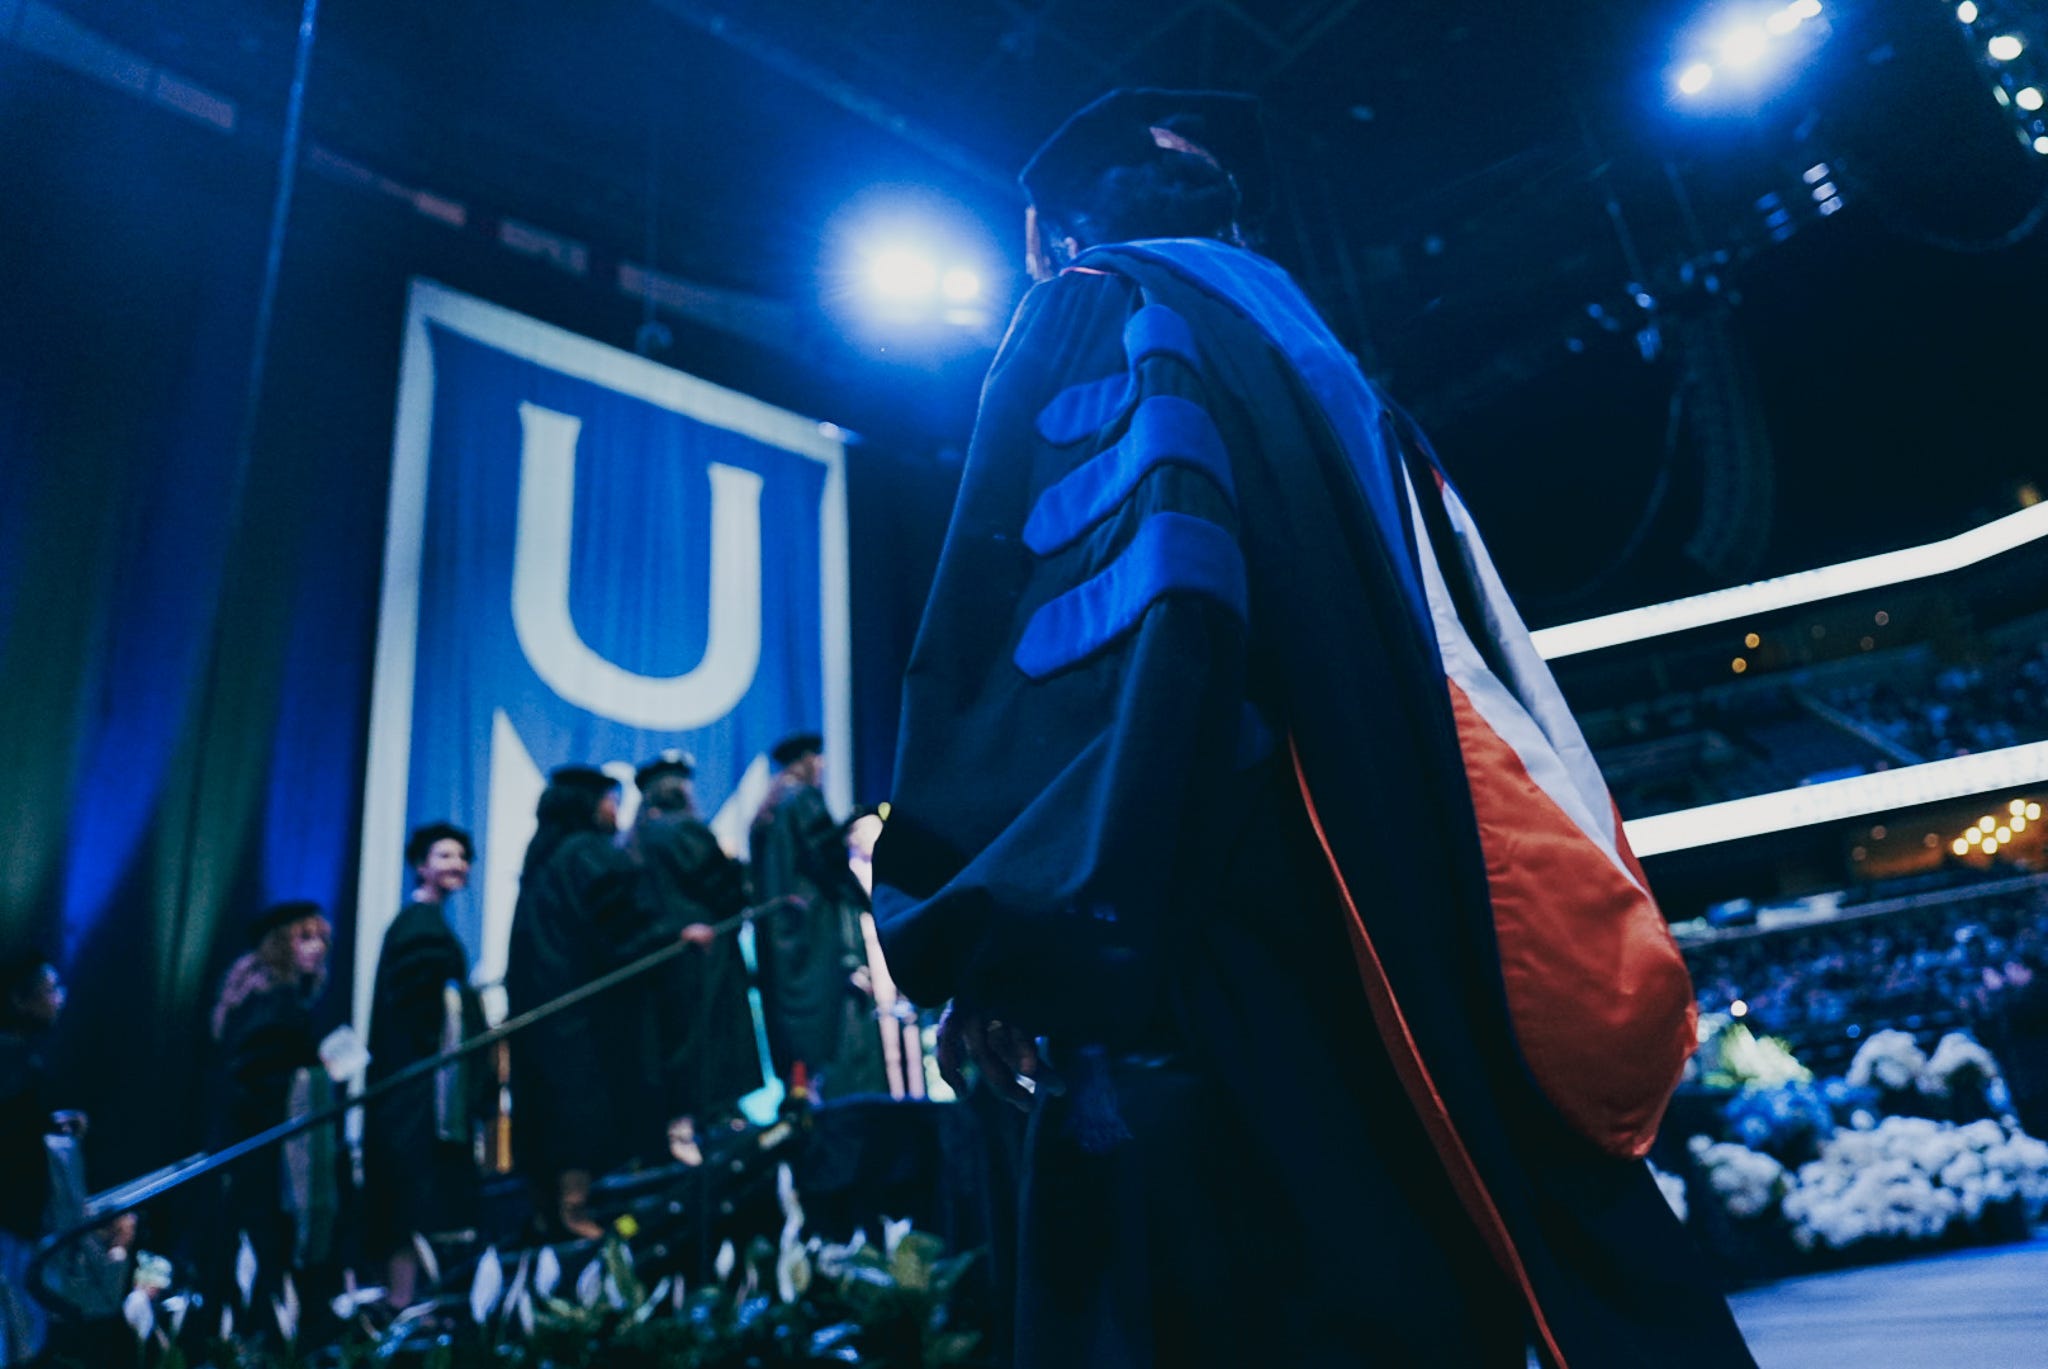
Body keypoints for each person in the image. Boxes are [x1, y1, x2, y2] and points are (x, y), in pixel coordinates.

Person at [872, 88, 1755, 1367]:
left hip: (1204, 908)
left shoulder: (1100, 304)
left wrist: (1012, 931)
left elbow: (1102, 631)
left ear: (1046, 237)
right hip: (1392, 894)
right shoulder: (1320, 353)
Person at [503, 765, 634, 1239]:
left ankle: (549, 1211)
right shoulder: (586, 855)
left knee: (547, 1110)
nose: (616, 811)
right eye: (611, 801)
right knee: (579, 1109)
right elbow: (621, 926)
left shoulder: (542, 859)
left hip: (543, 1012)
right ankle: (576, 1210)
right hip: (579, 1015)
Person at [362, 823, 490, 1307]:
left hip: (417, 1084)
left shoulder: (424, 923)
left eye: (462, 856)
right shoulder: (420, 927)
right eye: (444, 856)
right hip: (416, 1087)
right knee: (412, 1198)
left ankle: (409, 1304)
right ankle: (404, 1306)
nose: (457, 864)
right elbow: (420, 1014)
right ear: (421, 865)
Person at [209, 902, 342, 1330]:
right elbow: (256, 1078)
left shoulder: (259, 995)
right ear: (280, 945)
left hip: (254, 1151)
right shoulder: (275, 1000)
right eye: (305, 938)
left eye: (321, 938)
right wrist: (314, 1072)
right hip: (264, 1154)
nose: (317, 948)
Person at [628, 750, 763, 1162]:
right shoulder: (688, 831)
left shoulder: (633, 842)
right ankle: (715, 1118)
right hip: (705, 953)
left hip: (658, 953)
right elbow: (724, 891)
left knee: (670, 1040)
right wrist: (734, 871)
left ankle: (679, 1124)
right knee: (709, 1035)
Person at [751, 733, 886, 1099]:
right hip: (815, 938)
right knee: (834, 1038)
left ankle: (802, 1103)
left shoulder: (765, 813)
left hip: (781, 943)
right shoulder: (803, 801)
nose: (824, 766)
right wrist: (863, 898)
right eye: (819, 758)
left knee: (798, 1048)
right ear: (807, 760)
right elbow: (827, 862)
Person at [0, 953, 70, 1364]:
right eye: (50, 989)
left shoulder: (21, 1061)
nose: (59, 999)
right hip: (9, 1216)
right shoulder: (15, 1063)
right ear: (18, 999)